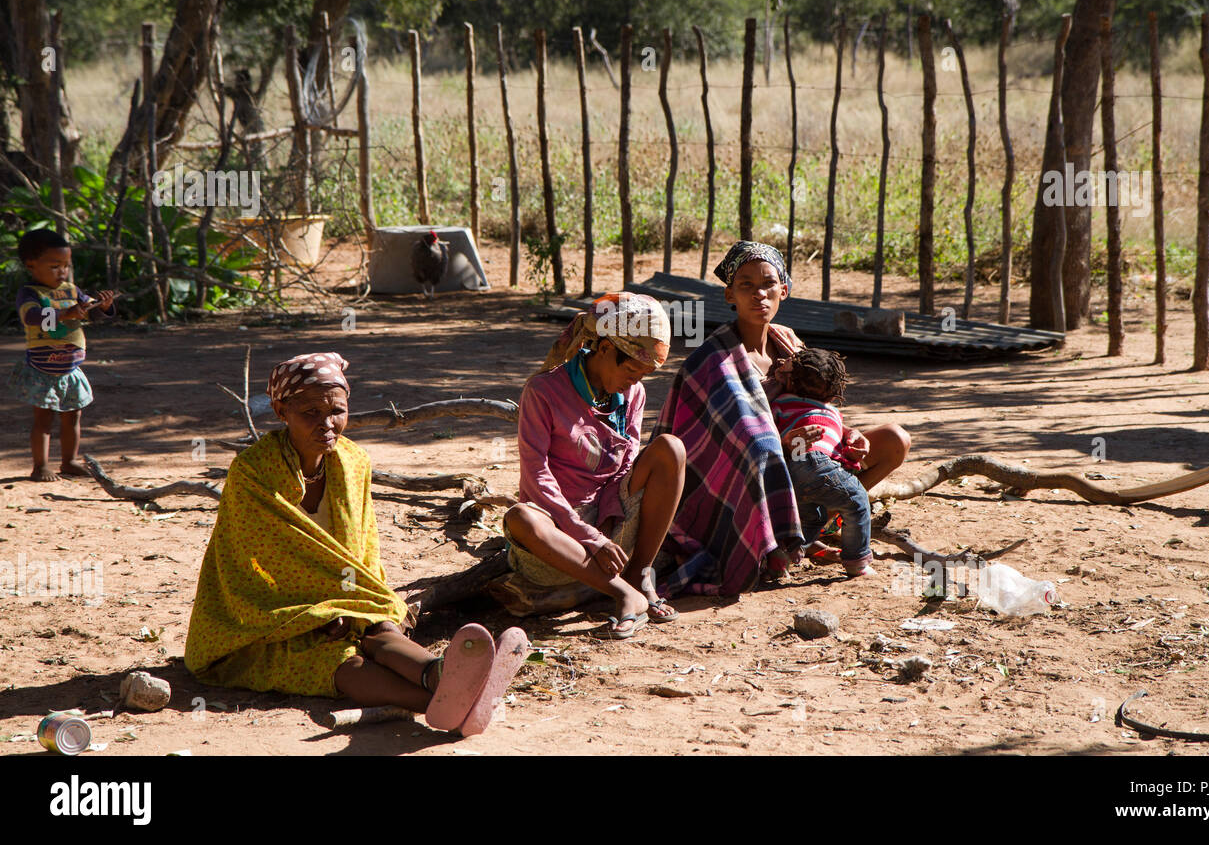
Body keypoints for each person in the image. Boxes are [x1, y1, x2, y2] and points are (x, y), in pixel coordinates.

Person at [184, 353, 526, 736]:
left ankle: (439, 674)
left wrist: (348, 604)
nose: (327, 424)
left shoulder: (354, 462)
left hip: (345, 596)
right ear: (281, 411)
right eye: (309, 413)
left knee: (378, 627)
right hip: (263, 620)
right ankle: (442, 705)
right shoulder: (252, 473)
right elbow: (243, 572)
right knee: (337, 660)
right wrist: (319, 614)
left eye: (336, 411)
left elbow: (363, 554)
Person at [653, 240, 910, 595]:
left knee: (895, 440)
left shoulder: (788, 341)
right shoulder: (715, 360)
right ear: (730, 295)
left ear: (784, 290)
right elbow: (738, 442)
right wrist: (787, 440)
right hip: (755, 472)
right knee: (764, 449)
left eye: (768, 283)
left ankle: (817, 523)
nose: (759, 294)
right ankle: (785, 535)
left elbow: (814, 403)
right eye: (746, 285)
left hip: (808, 454)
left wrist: (845, 432)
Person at [500, 293, 686, 640]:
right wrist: (590, 537)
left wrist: (608, 526)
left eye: (643, 374)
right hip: (557, 542)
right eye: (631, 369)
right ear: (603, 349)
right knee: (520, 517)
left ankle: (639, 575)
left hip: (611, 530)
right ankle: (623, 593)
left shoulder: (633, 393)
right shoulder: (543, 391)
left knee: (670, 449)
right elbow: (536, 476)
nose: (635, 382)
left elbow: (627, 464)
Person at [10, 229, 116, 481]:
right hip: (42, 370)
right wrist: (66, 314)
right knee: (44, 420)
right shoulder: (30, 293)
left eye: (66, 265)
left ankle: (69, 461)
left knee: (73, 417)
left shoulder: (71, 290)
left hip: (71, 370)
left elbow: (89, 311)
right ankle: (40, 466)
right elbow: (31, 318)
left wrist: (103, 307)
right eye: (55, 265)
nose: (63, 271)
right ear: (31, 265)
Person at [771, 347, 874, 576]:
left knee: (813, 516)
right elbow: (833, 439)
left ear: (791, 382)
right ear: (833, 392)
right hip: (816, 462)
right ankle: (857, 560)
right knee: (857, 499)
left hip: (790, 469)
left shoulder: (780, 402)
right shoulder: (832, 411)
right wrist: (851, 448)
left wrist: (852, 436)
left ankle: (784, 557)